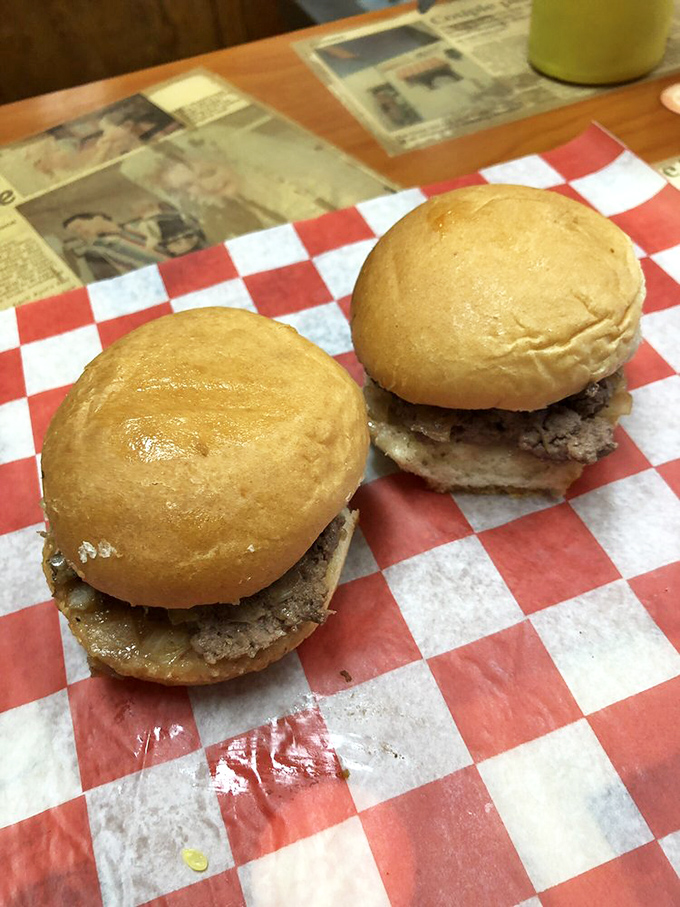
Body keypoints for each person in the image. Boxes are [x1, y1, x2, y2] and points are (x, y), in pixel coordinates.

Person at [62, 212, 165, 282]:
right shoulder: (95, 252)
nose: (79, 233)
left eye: (78, 227)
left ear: (98, 218)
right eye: (74, 232)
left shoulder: (136, 228)